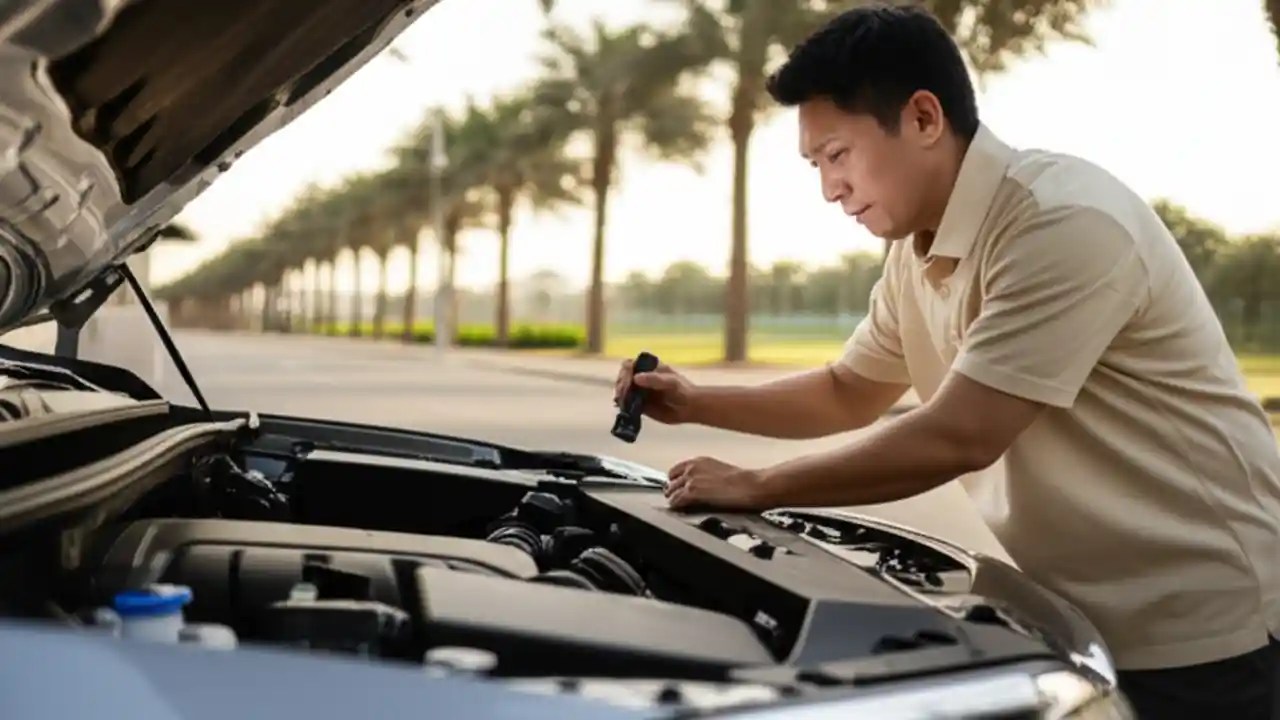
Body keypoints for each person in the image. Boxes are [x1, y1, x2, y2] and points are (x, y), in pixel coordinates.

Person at [612, 4, 1280, 718]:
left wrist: (757, 486)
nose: (828, 187)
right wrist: (695, 400)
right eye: (817, 164)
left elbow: (961, 434)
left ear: (924, 119)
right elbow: (848, 391)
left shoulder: (1063, 222)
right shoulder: (914, 251)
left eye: (837, 155)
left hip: (1208, 625)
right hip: (1086, 624)